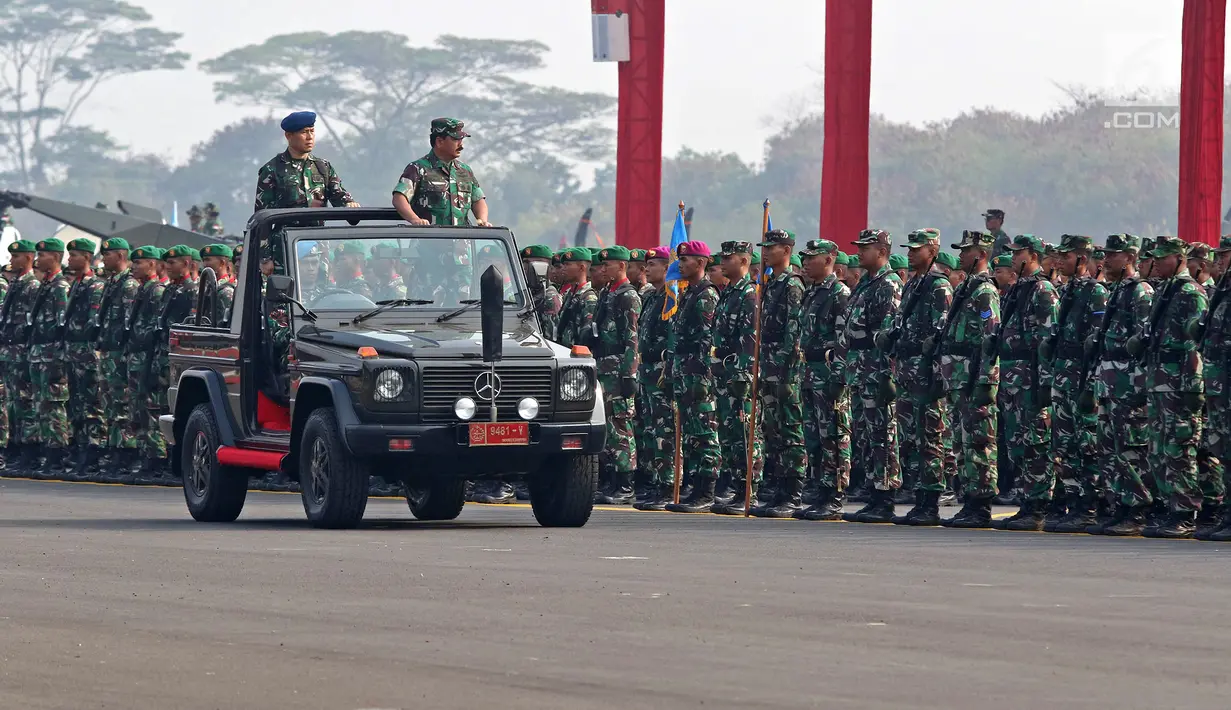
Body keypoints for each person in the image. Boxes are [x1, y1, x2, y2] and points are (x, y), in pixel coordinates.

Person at [1130, 236, 1208, 538]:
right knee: (1159, 447)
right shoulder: (1164, 292)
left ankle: (1185, 511)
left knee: (1180, 447)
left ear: (1179, 258)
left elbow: (1194, 344)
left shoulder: (1190, 293)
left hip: (1179, 382)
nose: (1157, 263)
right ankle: (1166, 505)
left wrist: (1193, 386)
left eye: (1163, 258)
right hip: (1158, 380)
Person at [1083, 234, 1155, 536]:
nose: (1106, 260)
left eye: (1113, 255)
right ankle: (1119, 506)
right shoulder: (1115, 291)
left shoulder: (1140, 292)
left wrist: (1138, 385)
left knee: (1130, 447)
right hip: (1109, 378)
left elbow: (1144, 338)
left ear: (1129, 258)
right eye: (1105, 255)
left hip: (1128, 380)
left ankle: (1136, 509)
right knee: (1109, 447)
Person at [1037, 234, 1109, 533]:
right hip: (1063, 375)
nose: (1059, 261)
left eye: (1066, 257)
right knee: (1064, 444)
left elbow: (1096, 344)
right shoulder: (1067, 291)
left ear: (1082, 258)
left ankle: (1090, 505)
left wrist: (1090, 387)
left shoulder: (1095, 294)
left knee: (1087, 444)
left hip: (1081, 379)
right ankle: (1072, 499)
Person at [992, 235, 1060, 531]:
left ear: (1031, 255)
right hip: (1011, 376)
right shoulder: (1017, 289)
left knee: (1035, 442)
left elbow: (1048, 340)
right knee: (1016, 442)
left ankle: (1039, 505)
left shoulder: (1043, 290)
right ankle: (1025, 501)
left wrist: (1045, 383)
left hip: (1030, 378)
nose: (1013, 257)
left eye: (1017, 253)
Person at [884, 229, 953, 525]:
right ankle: (919, 496)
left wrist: (936, 374)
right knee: (911, 437)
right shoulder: (914, 284)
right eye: (909, 249)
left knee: (931, 438)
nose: (911, 253)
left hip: (927, 373)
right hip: (909, 371)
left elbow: (941, 333)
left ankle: (931, 501)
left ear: (933, 250)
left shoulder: (939, 286)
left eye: (917, 249)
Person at [834, 229, 902, 523]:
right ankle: (874, 492)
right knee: (865, 433)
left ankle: (885, 497)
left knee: (882, 433)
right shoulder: (865, 283)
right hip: (859, 369)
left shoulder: (888, 284)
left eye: (866, 247)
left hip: (876, 369)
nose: (859, 252)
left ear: (882, 251)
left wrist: (887, 373)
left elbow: (888, 333)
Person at [937, 230, 1001, 528]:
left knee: (978, 442)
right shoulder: (967, 288)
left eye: (966, 250)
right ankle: (969, 499)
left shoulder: (984, 291)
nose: (961, 255)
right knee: (962, 442)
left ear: (981, 254)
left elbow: (990, 338)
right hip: (960, 379)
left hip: (974, 379)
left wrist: (987, 381)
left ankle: (981, 504)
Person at [750, 229, 809, 518]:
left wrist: (787, 372)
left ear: (786, 250)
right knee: (772, 430)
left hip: (786, 371)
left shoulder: (792, 285)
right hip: (770, 367)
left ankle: (793, 491)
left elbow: (793, 333)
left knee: (791, 430)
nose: (765, 253)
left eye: (771, 248)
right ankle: (778, 488)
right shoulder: (771, 284)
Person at [793, 239, 851, 521]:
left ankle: (834, 494)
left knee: (833, 435)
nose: (805, 262)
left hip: (828, 374)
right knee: (814, 437)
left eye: (811, 257)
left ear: (829, 259)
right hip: (809, 373)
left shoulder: (838, 293)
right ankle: (819, 490)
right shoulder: (812, 292)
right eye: (803, 257)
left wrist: (838, 378)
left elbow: (843, 341)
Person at [663, 241, 722, 513]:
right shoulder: (689, 293)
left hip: (699, 374)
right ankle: (694, 487)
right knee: (691, 434)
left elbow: (708, 337)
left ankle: (706, 490)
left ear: (701, 263)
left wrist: (701, 373)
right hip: (685, 372)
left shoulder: (706, 294)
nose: (680, 265)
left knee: (704, 432)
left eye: (686, 260)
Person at [709, 241, 763, 515]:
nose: (722, 262)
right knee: (729, 433)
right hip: (724, 372)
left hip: (738, 375)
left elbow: (749, 338)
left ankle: (749, 491)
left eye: (728, 258)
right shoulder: (729, 292)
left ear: (743, 260)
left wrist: (743, 374)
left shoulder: (749, 294)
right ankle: (736, 487)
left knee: (745, 433)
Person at [588, 246, 640, 505]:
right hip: (604, 366)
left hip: (619, 367)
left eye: (608, 265)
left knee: (621, 425)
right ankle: (611, 479)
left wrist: (629, 373)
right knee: (607, 425)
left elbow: (632, 339)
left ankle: (625, 482)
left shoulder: (627, 296)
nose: (602, 268)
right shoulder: (608, 293)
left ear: (621, 266)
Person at [633, 247, 677, 511]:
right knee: (651, 429)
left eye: (653, 264)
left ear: (666, 267)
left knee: (666, 430)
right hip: (648, 370)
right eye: (646, 265)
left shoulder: (672, 297)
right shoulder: (651, 297)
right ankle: (656, 481)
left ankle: (669, 483)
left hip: (662, 370)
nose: (647, 269)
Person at [25, 238, 73, 477]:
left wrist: (57, 356)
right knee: (41, 404)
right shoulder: (45, 285)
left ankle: (57, 454)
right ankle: (46, 451)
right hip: (39, 353)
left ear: (54, 257)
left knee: (54, 405)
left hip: (52, 354)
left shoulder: (60, 286)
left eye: (42, 255)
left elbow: (62, 324)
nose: (37, 259)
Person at [94, 238, 141, 478]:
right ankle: (113, 450)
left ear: (121, 256)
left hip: (120, 353)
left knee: (123, 405)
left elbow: (128, 324)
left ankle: (126, 454)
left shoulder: (129, 285)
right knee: (110, 404)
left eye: (107, 254)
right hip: (109, 351)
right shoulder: (112, 283)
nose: (103, 258)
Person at [61, 238, 107, 479]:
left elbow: (93, 322)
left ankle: (93, 452)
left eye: (74, 255)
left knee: (91, 405)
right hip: (73, 353)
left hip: (87, 353)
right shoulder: (77, 285)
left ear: (87, 258)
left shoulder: (95, 286)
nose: (69, 260)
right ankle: (80, 449)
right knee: (76, 403)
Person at [393, 118, 491, 227]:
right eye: (455, 139)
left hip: (462, 241)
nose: (461, 145)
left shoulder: (465, 171)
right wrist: (415, 220)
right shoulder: (418, 169)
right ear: (439, 142)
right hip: (430, 240)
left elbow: (478, 200)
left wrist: (482, 221)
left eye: (461, 140)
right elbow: (399, 198)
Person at [124, 246, 166, 482]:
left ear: (151, 264)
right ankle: (145, 454)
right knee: (138, 407)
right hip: (137, 356)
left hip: (149, 356)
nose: (133, 267)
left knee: (151, 408)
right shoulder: (143, 290)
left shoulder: (157, 291)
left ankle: (156, 458)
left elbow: (156, 327)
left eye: (138, 263)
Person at [0, 240, 40, 472]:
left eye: (16, 257)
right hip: (9, 350)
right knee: (13, 402)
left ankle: (28, 451)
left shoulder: (32, 285)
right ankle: (16, 448)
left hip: (21, 351)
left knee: (24, 401)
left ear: (27, 257)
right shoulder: (16, 284)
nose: (11, 260)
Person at [554, 248, 598, 348]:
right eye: (563, 264)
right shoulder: (569, 295)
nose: (563, 268)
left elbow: (586, 336)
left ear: (582, 268)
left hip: (578, 357)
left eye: (567, 265)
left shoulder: (589, 298)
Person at [520, 245, 561, 340]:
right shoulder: (525, 292)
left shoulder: (549, 296)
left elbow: (550, 336)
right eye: (524, 263)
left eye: (530, 265)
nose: (525, 268)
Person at [200, 244, 236, 323]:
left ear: (222, 263)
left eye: (208, 260)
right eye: (204, 260)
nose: (204, 264)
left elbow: (226, 325)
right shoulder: (210, 288)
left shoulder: (226, 291)